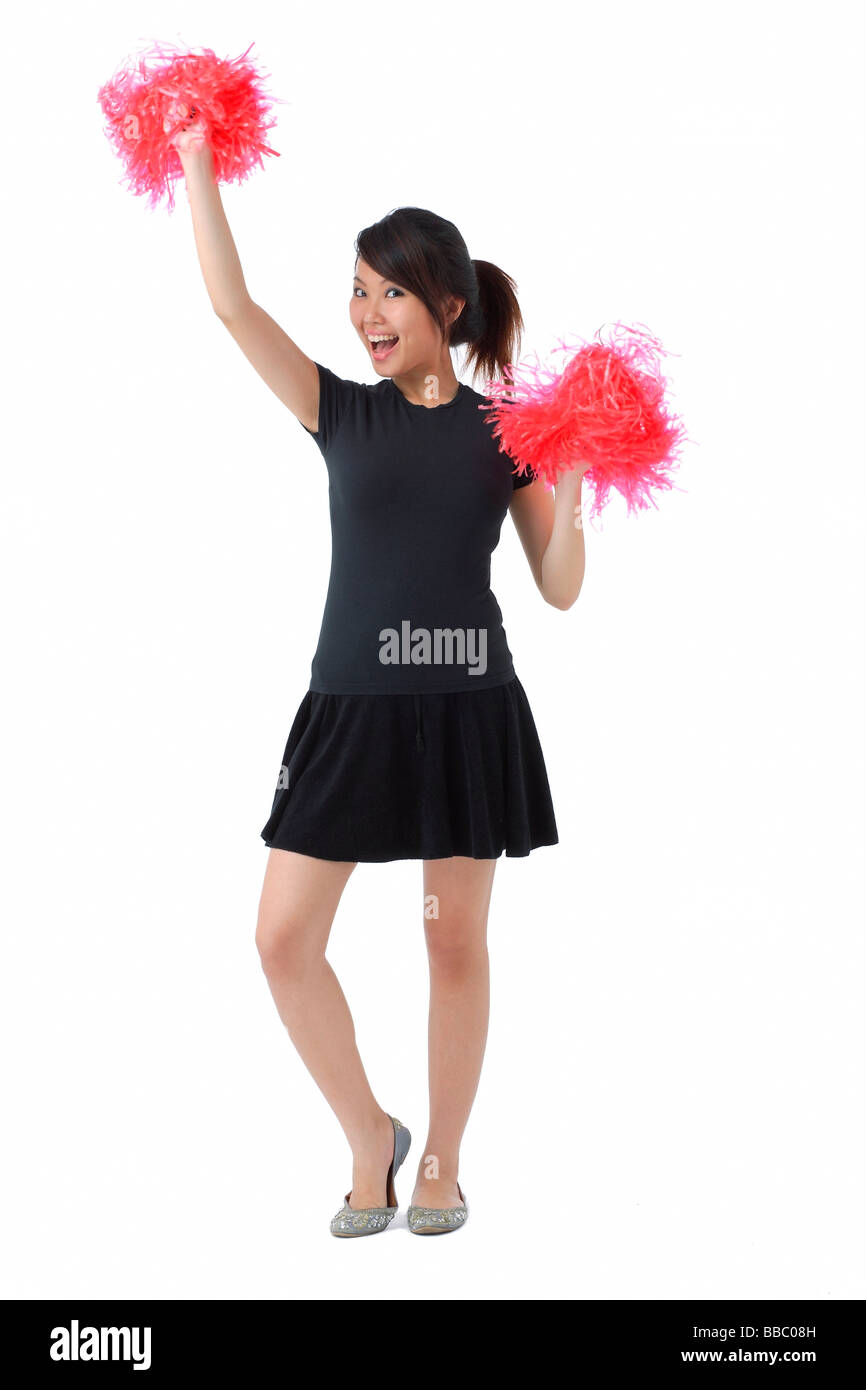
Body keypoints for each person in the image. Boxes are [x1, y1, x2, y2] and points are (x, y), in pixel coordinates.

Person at [172, 115, 588, 1236]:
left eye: (386, 294)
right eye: (354, 292)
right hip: (351, 713)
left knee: (448, 937)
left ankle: (442, 1156)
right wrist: (199, 160)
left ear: (445, 307)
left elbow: (557, 585)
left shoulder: (507, 433)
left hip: (463, 712)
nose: (362, 314)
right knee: (279, 939)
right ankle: (372, 1134)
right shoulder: (336, 410)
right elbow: (230, 304)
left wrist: (578, 468)